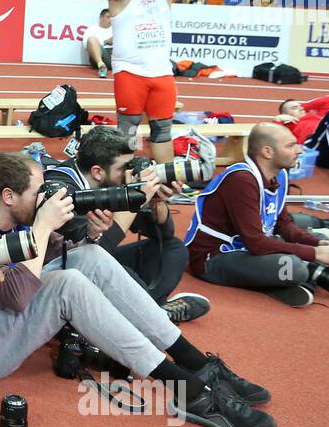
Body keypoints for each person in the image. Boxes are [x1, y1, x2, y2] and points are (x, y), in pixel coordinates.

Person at [0, 151, 275, 427]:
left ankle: (195, 363)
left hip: (1, 328)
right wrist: (43, 227)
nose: (45, 199)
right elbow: (16, 296)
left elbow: (80, 258)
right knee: (67, 284)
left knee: (90, 256)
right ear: (9, 196)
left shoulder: (21, 219)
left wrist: (90, 234)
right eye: (38, 191)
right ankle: (183, 387)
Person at [45, 126, 211, 321]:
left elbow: (164, 233)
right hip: (63, 270)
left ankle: (149, 313)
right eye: (123, 167)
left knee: (172, 248)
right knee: (116, 270)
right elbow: (93, 254)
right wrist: (136, 197)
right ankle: (155, 315)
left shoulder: (109, 181)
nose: (129, 172)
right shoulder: (63, 190)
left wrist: (156, 201)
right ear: (98, 172)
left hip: (94, 263)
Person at [184, 123, 329, 307]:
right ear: (267, 152)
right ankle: (286, 279)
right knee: (294, 268)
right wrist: (314, 254)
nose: (299, 150)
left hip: (244, 248)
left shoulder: (279, 175)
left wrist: (318, 244)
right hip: (213, 260)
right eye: (290, 146)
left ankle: (281, 279)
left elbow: (284, 224)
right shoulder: (241, 180)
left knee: (317, 237)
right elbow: (256, 243)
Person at [105, 0, 193, 161]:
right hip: (130, 74)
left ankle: (163, 187)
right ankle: (127, 185)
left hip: (162, 74)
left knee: (163, 130)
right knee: (128, 131)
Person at [84, 7, 112, 79]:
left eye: (112, 17)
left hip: (115, 57)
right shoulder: (92, 29)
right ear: (101, 17)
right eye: (108, 17)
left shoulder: (116, 29)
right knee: (91, 39)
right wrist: (106, 42)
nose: (110, 19)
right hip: (100, 56)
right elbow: (86, 45)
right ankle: (102, 66)